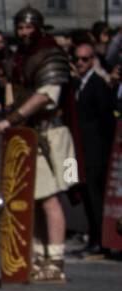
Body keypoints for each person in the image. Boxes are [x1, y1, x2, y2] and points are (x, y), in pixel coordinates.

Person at [0, 5, 83, 283]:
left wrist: (12, 119)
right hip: (30, 136)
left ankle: (55, 260)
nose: (24, 32)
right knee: (32, 197)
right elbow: (16, 91)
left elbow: (46, 95)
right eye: (20, 27)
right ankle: (37, 255)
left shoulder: (51, 53)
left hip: (52, 136)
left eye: (28, 27)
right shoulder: (21, 56)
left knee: (49, 198)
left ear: (39, 27)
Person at [71, 42, 117, 259]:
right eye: (77, 59)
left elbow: (106, 120)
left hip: (95, 152)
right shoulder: (78, 84)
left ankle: (101, 242)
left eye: (85, 59)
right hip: (78, 152)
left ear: (93, 60)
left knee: (95, 196)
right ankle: (92, 238)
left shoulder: (97, 85)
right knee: (83, 194)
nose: (80, 63)